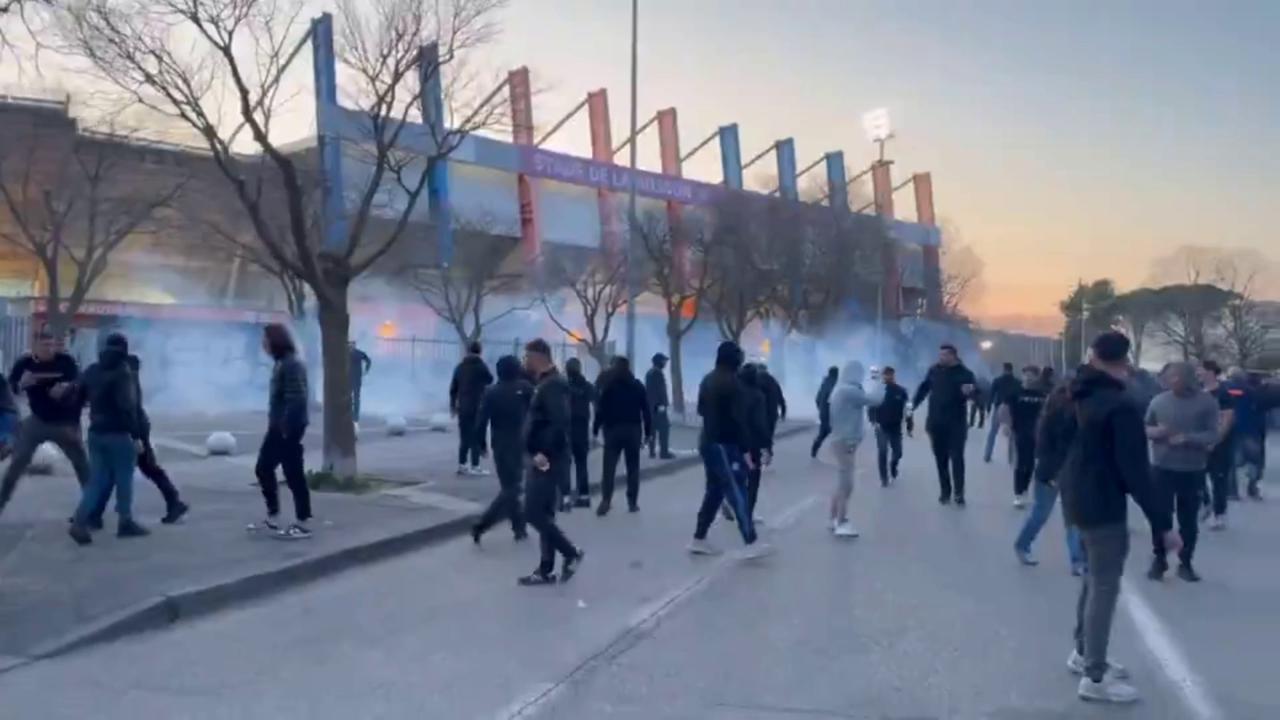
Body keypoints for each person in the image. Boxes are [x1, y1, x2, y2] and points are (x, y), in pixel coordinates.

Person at [1060, 331, 1178, 704]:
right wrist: (1163, 524)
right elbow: (1136, 472)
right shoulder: (1120, 406)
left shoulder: (1075, 393)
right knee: (1104, 586)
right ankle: (1094, 676)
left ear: (1093, 356)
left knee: (1093, 579)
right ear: (1125, 361)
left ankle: (1083, 653)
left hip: (1077, 493)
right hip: (1103, 501)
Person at [86, 339, 189, 528]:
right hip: (132, 425)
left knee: (139, 468)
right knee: (134, 469)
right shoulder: (125, 367)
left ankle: (174, 502)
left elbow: (129, 405)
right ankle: (94, 513)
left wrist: (136, 436)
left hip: (132, 425)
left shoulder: (123, 370)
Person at [688, 341, 770, 558]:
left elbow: (700, 410)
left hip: (708, 440)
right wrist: (745, 449)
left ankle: (699, 538)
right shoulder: (731, 384)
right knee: (736, 489)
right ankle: (750, 540)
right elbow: (738, 420)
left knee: (715, 491)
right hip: (724, 443)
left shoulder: (708, 379)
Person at [0, 329, 91, 517]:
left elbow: (82, 384)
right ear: (35, 346)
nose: (49, 349)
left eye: (51, 345)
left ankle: (92, 510)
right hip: (38, 421)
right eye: (44, 345)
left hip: (65, 423)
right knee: (17, 463)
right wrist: (21, 385)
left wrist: (68, 387)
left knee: (82, 465)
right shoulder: (24, 363)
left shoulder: (66, 361)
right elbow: (10, 390)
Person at [518, 339, 584, 586]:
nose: (525, 362)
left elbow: (560, 421)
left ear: (538, 356)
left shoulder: (553, 384)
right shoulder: (546, 383)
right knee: (544, 514)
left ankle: (571, 553)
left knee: (532, 512)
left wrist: (543, 452)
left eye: (527, 356)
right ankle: (545, 569)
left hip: (548, 459)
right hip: (544, 457)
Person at [1145, 361, 1218, 583]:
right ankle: (1159, 560)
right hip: (1162, 467)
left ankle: (1185, 563)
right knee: (1160, 517)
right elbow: (1145, 427)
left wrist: (1188, 438)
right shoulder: (1159, 401)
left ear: (1187, 378)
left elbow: (1212, 435)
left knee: (1188, 520)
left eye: (1175, 377)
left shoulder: (1207, 402)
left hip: (1192, 469)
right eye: (1168, 377)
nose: (1170, 381)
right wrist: (1155, 431)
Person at [1013, 375, 1085, 572]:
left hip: (1063, 470)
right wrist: (1057, 472)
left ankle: (1077, 560)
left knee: (1072, 516)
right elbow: (1056, 448)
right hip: (1054, 470)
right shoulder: (1062, 416)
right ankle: (1022, 545)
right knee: (1043, 513)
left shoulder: (1060, 412)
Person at [250, 323, 313, 540]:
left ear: (275, 341)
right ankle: (273, 517)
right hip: (279, 427)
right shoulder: (281, 364)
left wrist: (286, 427)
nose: (263, 345)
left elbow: (297, 398)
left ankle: (303, 522)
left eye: (265, 341)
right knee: (264, 468)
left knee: (293, 473)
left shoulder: (291, 364)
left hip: (288, 428)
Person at [471, 355, 532, 544]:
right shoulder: (525, 388)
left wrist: (481, 444)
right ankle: (483, 523)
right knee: (513, 489)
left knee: (509, 487)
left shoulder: (491, 392)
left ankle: (519, 528)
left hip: (500, 446)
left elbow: (481, 422)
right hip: (519, 444)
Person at [911, 344, 978, 506]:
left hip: (956, 424)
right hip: (935, 422)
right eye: (940, 355)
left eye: (944, 356)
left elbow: (975, 394)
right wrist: (911, 406)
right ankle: (945, 491)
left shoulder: (965, 374)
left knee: (957, 458)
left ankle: (959, 493)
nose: (941, 358)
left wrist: (971, 393)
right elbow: (924, 388)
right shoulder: (934, 370)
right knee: (941, 459)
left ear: (953, 356)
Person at [826, 361, 882, 538]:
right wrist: (876, 381)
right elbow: (875, 400)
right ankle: (841, 522)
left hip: (841, 439)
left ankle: (834, 518)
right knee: (846, 484)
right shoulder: (849, 391)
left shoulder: (840, 389)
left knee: (842, 481)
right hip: (845, 440)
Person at [594, 356, 652, 516]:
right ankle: (632, 502)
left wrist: (595, 428)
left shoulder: (609, 386)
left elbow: (601, 409)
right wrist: (648, 432)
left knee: (609, 468)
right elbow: (646, 410)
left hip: (612, 431)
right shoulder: (637, 385)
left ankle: (606, 499)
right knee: (633, 467)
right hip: (633, 431)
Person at [1003, 365, 1048, 508]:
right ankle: (1018, 493)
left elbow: (1047, 413)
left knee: (1030, 464)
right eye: (1026, 374)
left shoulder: (1042, 395)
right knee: (1020, 462)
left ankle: (1024, 490)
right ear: (1022, 376)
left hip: (1035, 432)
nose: (1028, 377)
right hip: (1018, 431)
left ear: (1036, 377)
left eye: (1031, 375)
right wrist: (1007, 425)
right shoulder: (1014, 392)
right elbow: (1005, 409)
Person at [1198, 360, 1235, 528]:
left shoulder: (1223, 393)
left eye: (1200, 369)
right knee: (1196, 477)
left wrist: (1216, 440)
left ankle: (1220, 514)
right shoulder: (1196, 392)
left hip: (1219, 444)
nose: (1197, 372)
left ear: (1211, 372)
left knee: (1218, 478)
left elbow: (1227, 418)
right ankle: (1206, 503)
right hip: (1198, 442)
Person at [450, 342, 493, 476]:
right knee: (476, 436)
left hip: (463, 406)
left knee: (464, 436)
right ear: (480, 352)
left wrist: (453, 405)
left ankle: (462, 465)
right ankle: (475, 465)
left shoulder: (459, 367)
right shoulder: (481, 366)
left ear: (467, 351)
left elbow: (453, 388)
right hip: (478, 405)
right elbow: (490, 380)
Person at [738, 363, 771, 524]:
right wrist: (767, 445)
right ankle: (747, 512)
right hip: (752, 444)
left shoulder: (734, 393)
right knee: (753, 478)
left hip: (734, 441)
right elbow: (760, 423)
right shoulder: (757, 395)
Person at [564, 357, 596, 509]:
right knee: (581, 463)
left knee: (564, 463)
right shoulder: (587, 386)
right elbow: (597, 403)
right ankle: (584, 496)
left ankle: (565, 498)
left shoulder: (563, 386)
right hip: (582, 428)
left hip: (565, 428)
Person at [869, 366, 908, 487]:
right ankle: (884, 478)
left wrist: (910, 423)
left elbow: (908, 408)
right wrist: (873, 422)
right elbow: (871, 408)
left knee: (898, 452)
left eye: (890, 375)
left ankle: (893, 465)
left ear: (893, 376)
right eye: (886, 375)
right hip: (881, 426)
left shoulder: (901, 391)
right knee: (883, 451)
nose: (888, 377)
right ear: (883, 376)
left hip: (895, 427)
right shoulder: (878, 391)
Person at [985, 362, 1020, 463]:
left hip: (999, 407)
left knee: (993, 432)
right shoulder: (1017, 382)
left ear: (1003, 369)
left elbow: (991, 395)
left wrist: (988, 408)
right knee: (1013, 433)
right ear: (1011, 370)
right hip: (1012, 409)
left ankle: (987, 454)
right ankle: (1012, 457)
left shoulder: (997, 381)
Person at [645, 353, 675, 460]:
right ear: (659, 361)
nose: (665, 363)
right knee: (664, 429)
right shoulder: (657, 373)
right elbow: (660, 391)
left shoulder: (649, 373)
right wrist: (662, 405)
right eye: (664, 361)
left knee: (652, 429)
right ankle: (664, 452)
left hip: (650, 407)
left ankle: (652, 452)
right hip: (658, 407)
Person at [758, 364, 786, 464]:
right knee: (769, 434)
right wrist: (783, 411)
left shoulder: (755, 381)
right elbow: (780, 398)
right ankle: (768, 451)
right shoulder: (773, 382)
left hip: (760, 414)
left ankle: (760, 453)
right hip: (772, 414)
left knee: (758, 434)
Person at [811, 366, 839, 458]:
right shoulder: (834, 384)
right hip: (831, 414)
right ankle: (840, 455)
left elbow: (817, 399)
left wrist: (821, 409)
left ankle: (814, 450)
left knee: (823, 433)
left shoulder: (824, 383)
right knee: (839, 434)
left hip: (824, 413)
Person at [348, 341, 372, 424]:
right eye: (349, 344)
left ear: (354, 345)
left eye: (352, 344)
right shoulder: (344, 353)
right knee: (348, 397)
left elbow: (368, 361)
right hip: (347, 378)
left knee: (356, 397)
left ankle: (355, 416)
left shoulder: (359, 353)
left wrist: (366, 370)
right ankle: (350, 414)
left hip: (356, 378)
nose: (351, 345)